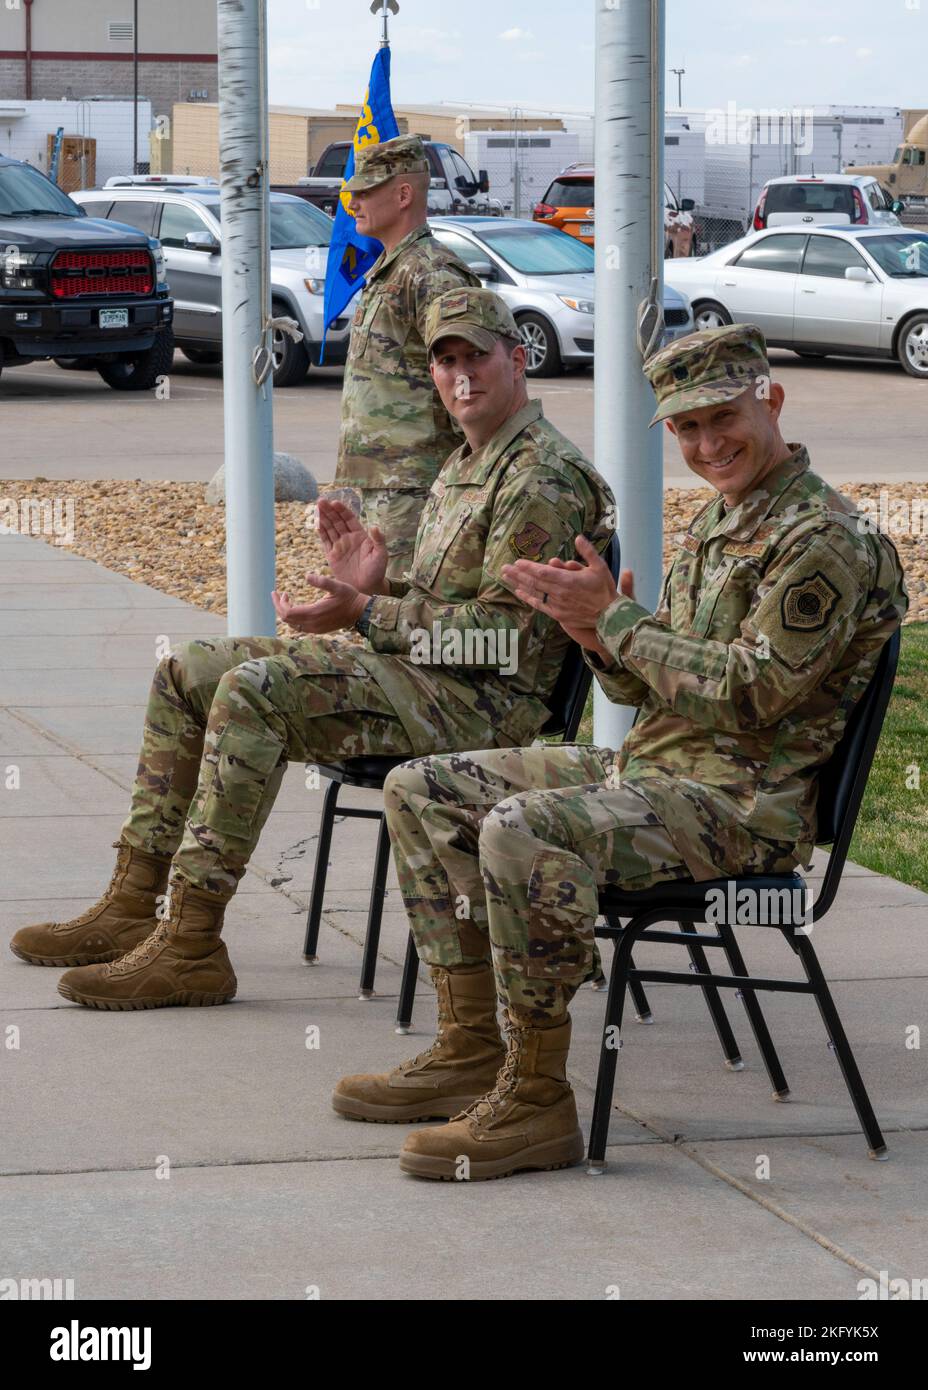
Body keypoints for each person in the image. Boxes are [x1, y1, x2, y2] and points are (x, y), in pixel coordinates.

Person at [333, 322, 908, 1182]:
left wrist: (618, 624)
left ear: (772, 401)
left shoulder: (819, 539)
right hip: (657, 777)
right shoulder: (725, 519)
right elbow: (646, 688)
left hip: (740, 809)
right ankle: (469, 1047)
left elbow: (751, 693)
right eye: (685, 428)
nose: (707, 444)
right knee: (423, 789)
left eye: (722, 419)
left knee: (523, 829)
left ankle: (535, 1099)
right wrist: (596, 639)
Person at [10, 289, 614, 1015]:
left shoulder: (539, 478)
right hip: (426, 678)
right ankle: (135, 900)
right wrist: (373, 585)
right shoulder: (470, 460)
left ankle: (192, 943)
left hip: (486, 709)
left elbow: (505, 643)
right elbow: (448, 607)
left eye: (476, 356)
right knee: (191, 669)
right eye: (445, 360)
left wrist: (368, 612)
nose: (460, 375)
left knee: (255, 690)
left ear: (517, 360)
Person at [329, 134, 481, 582]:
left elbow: (467, 383)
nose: (352, 201)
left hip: (414, 490)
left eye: (365, 190)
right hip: (378, 485)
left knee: (409, 616)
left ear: (403, 194)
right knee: (371, 611)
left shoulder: (431, 273)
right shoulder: (392, 268)